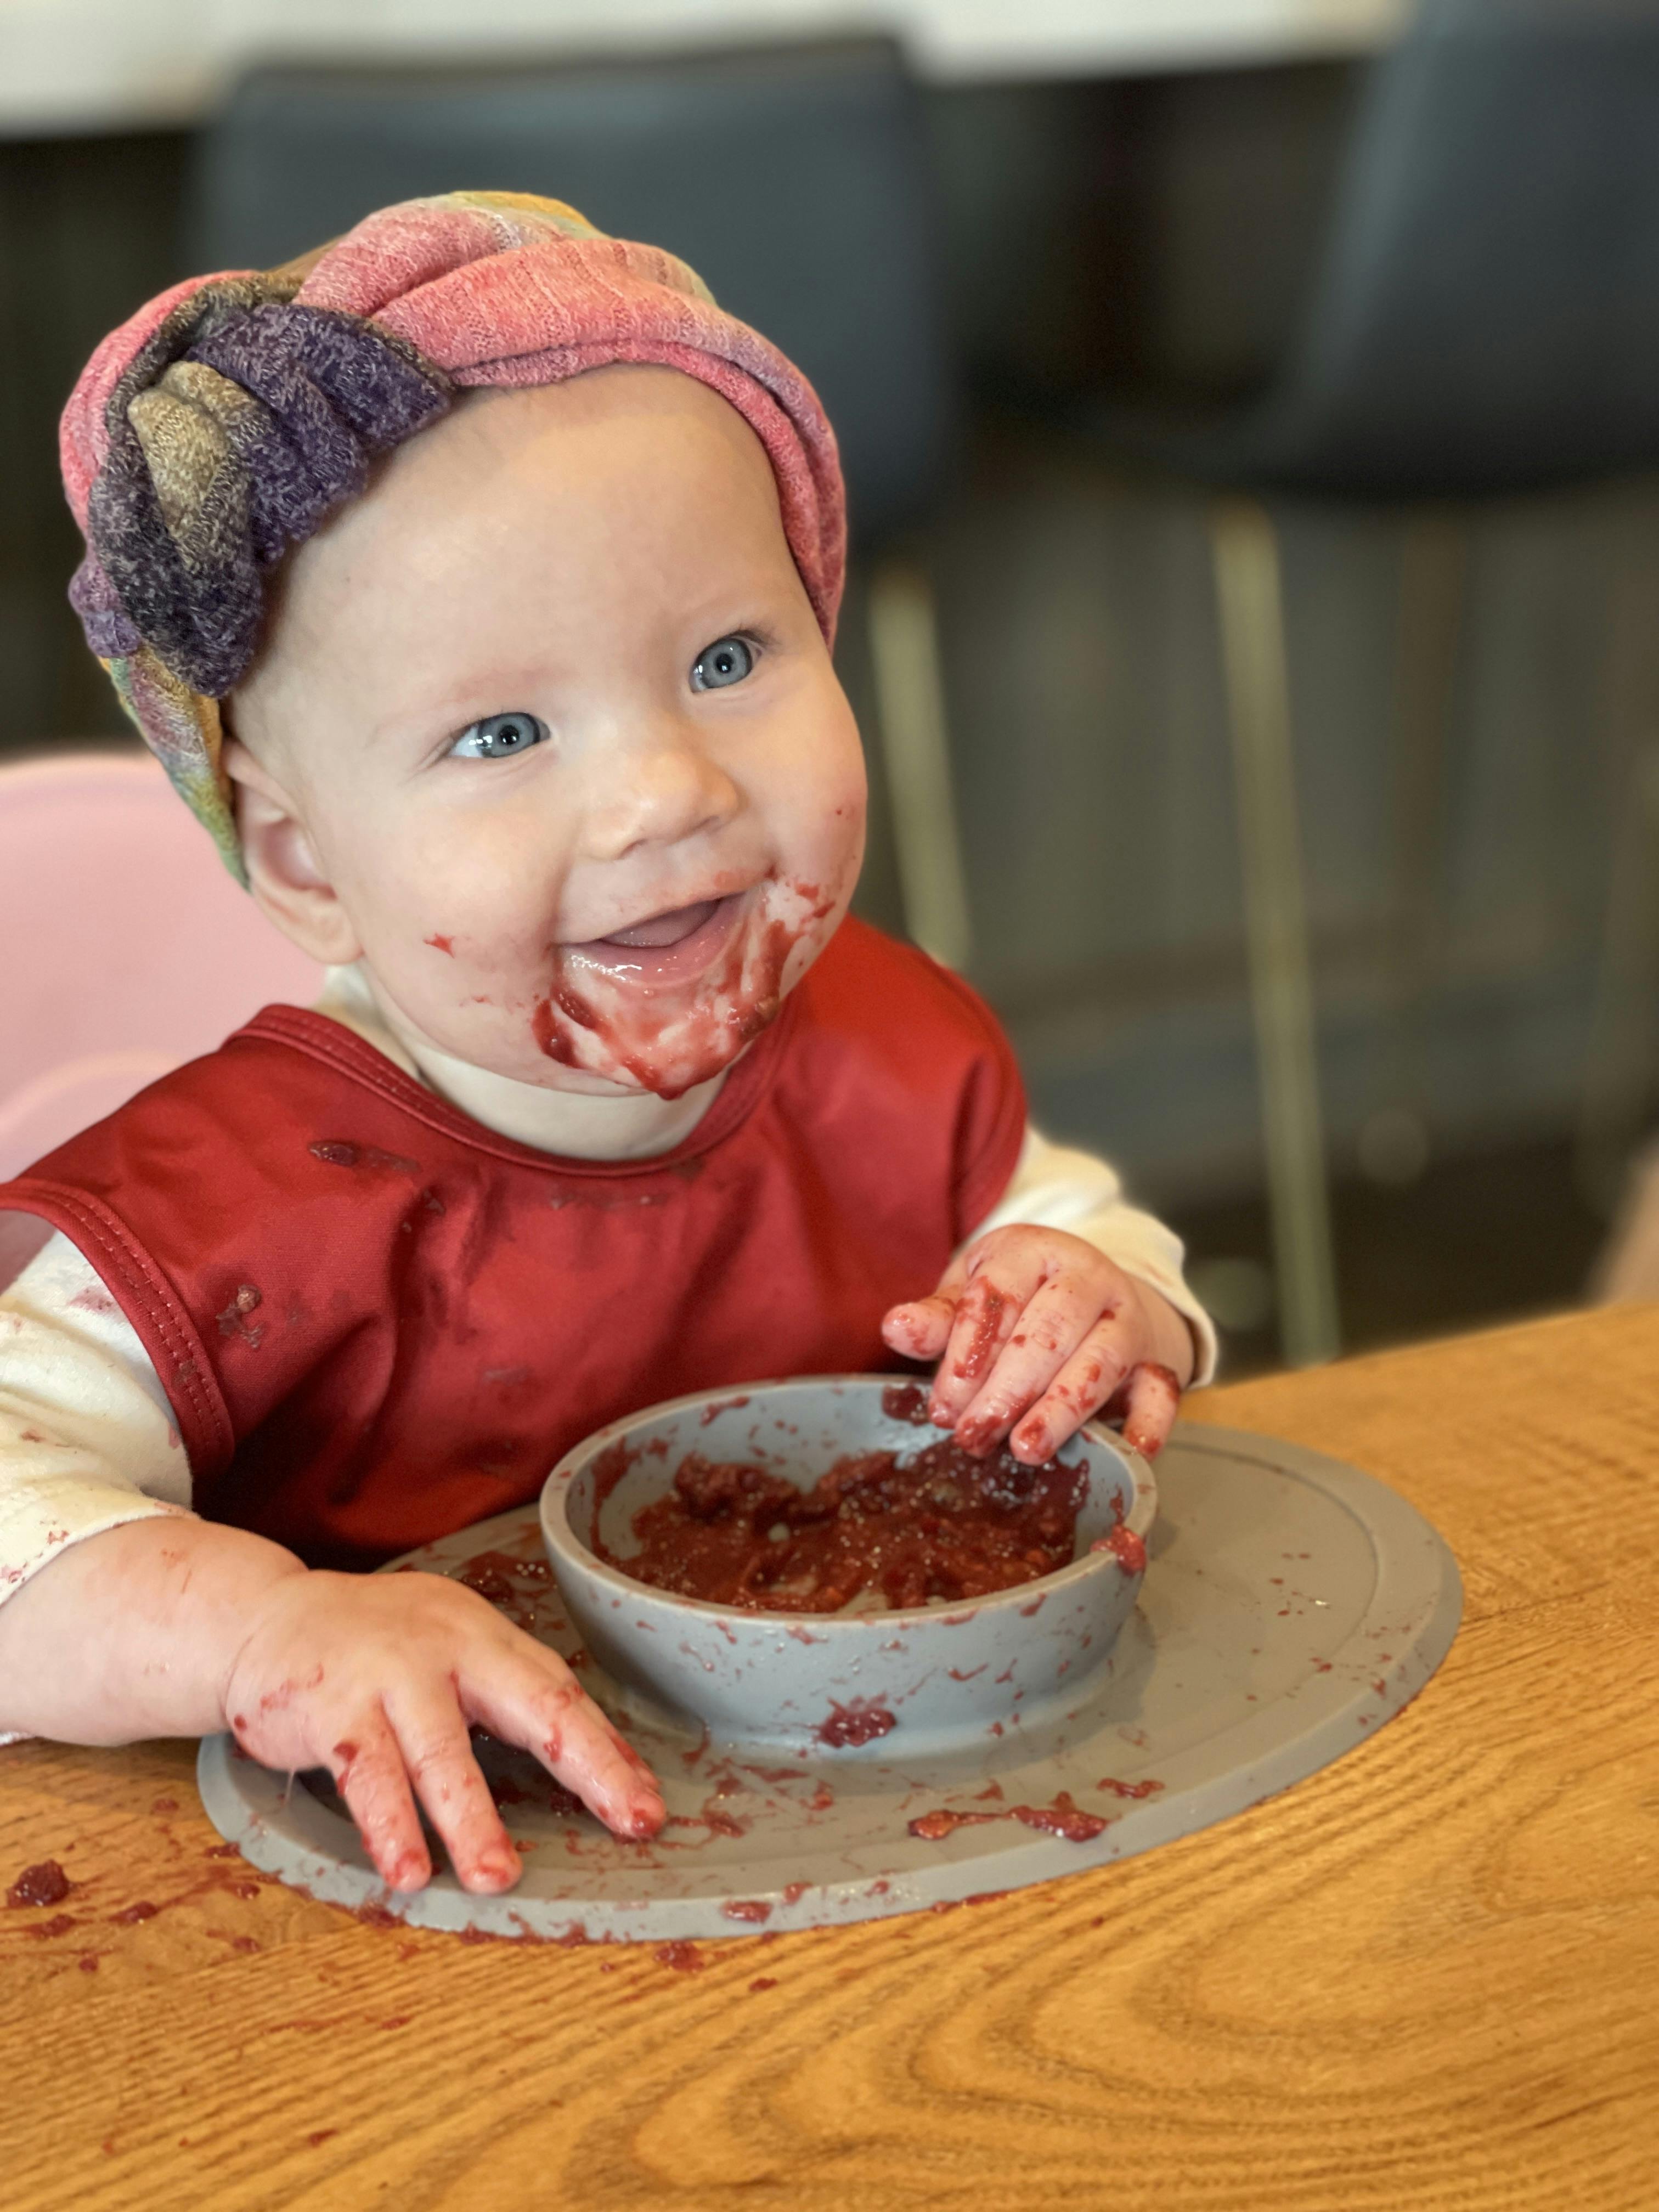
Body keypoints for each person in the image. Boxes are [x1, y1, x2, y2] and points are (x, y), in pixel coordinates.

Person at [0, 191, 1214, 1899]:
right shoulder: (234, 1216)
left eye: (728, 656)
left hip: (904, 1844)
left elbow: (1054, 1211)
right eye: (502, 731)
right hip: (422, 1916)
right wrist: (266, 1634)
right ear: (299, 860)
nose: (670, 792)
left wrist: (1096, 1294)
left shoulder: (881, 1041)